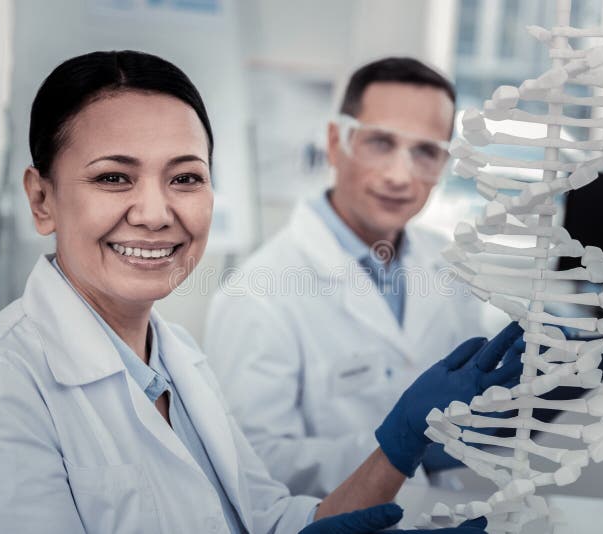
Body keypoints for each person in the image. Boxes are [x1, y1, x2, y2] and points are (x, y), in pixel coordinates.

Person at [0, 50, 521, 534]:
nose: (155, 213)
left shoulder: (179, 358)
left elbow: (271, 520)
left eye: (185, 178)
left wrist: (398, 449)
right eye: (113, 177)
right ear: (41, 198)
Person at [205, 57, 490, 497]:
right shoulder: (257, 293)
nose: (400, 175)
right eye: (380, 142)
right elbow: (253, 464)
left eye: (426, 152)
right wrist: (402, 449)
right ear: (337, 143)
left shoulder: (449, 265)